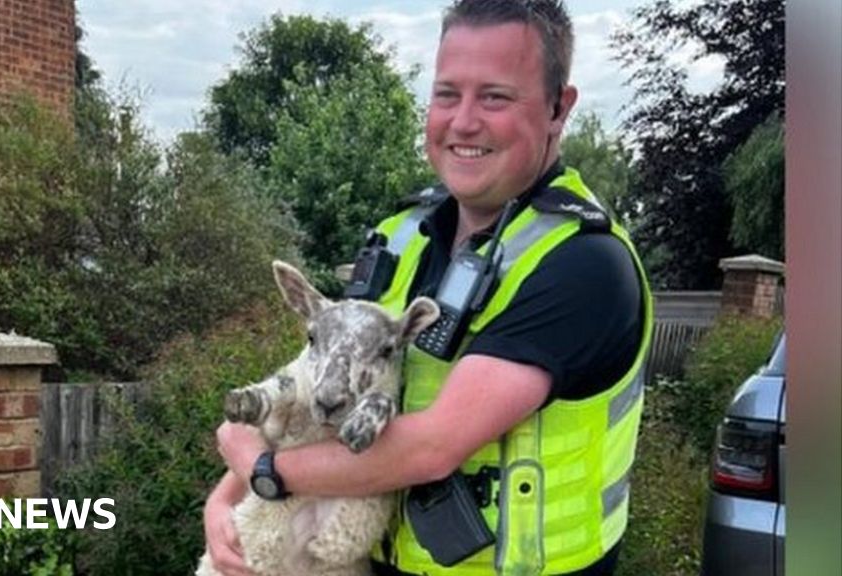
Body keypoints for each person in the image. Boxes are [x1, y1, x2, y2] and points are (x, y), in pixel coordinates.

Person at [205, 0, 653, 574]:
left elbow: (433, 445)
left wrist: (263, 471)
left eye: (495, 96)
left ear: (558, 109)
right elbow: (322, 384)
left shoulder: (583, 265)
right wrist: (226, 496)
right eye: (447, 94)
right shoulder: (400, 237)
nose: (463, 121)